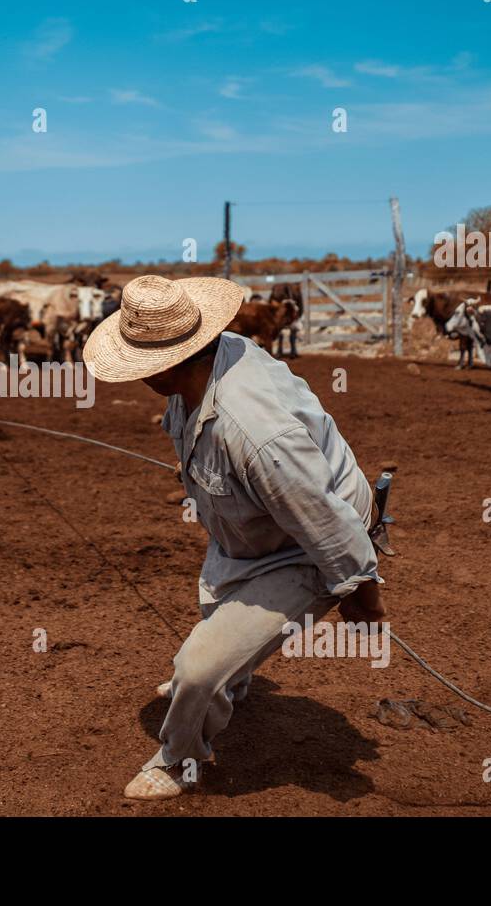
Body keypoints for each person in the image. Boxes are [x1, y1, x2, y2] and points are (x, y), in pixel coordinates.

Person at [83, 275, 386, 800]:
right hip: (254, 527)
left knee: (196, 670)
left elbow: (324, 522)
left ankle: (179, 759)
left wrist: (363, 596)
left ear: (171, 363)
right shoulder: (216, 360)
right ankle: (233, 678)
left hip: (305, 545)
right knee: (218, 614)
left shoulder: (254, 432)